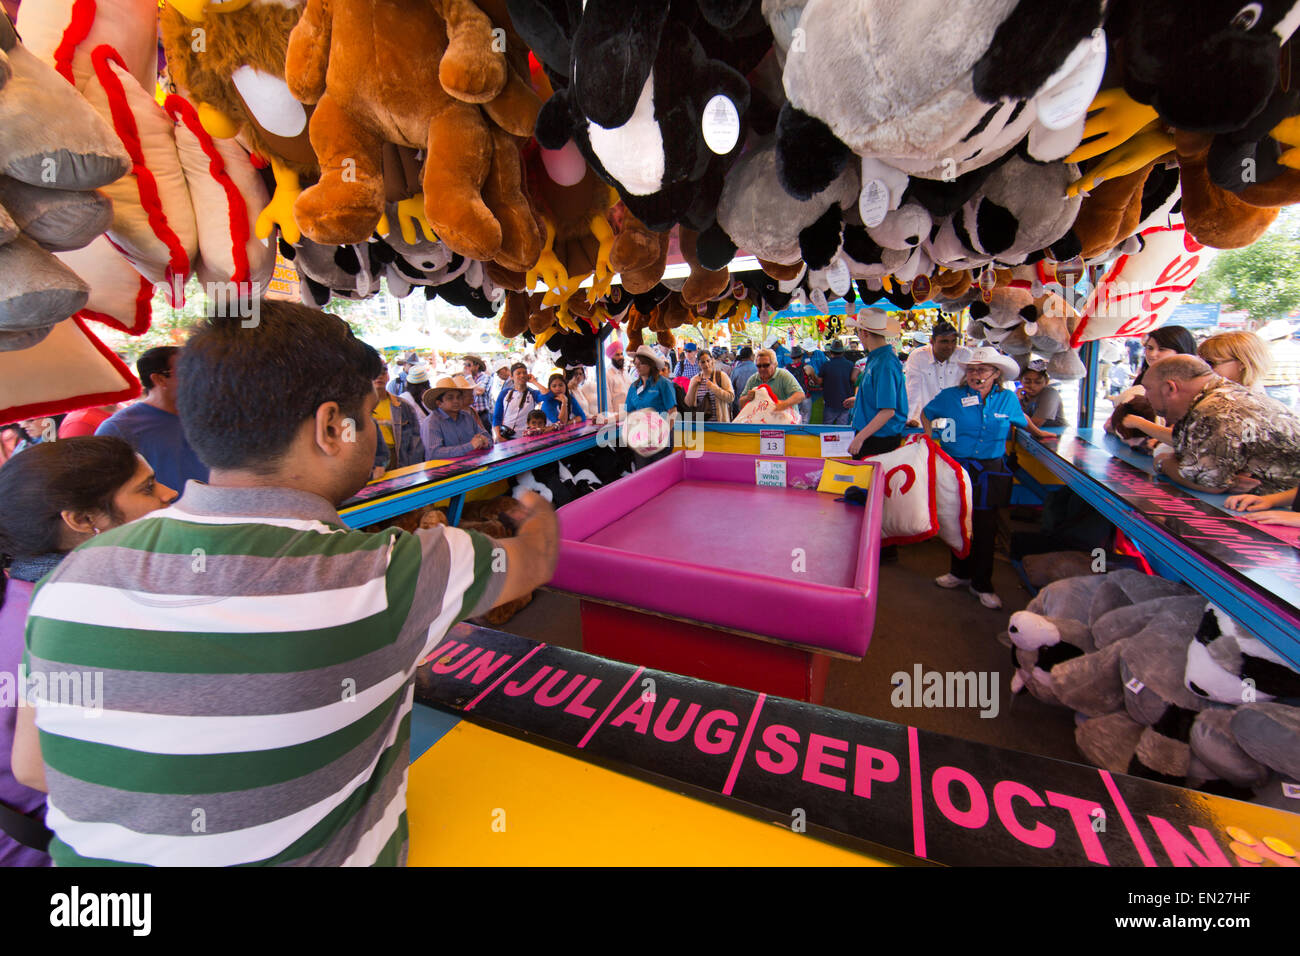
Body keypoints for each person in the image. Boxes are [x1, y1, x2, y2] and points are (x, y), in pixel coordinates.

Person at [15, 299, 558, 867]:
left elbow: (35, 764)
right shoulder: (398, 571)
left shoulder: (72, 578)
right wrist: (534, 509)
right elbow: (535, 559)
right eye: (369, 414)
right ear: (331, 427)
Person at [1, 437, 177, 867]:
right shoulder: (71, 619)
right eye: (147, 487)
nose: (169, 494)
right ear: (82, 520)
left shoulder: (24, 594)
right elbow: (42, 768)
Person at [924, 347, 1059, 609]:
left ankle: (982, 584)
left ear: (996, 373)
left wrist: (1039, 433)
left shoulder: (1007, 399)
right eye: (972, 369)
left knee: (986, 527)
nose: (976, 374)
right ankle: (959, 573)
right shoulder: (951, 396)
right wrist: (931, 440)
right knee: (958, 522)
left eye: (982, 369)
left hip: (990, 470)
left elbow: (1021, 420)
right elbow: (927, 414)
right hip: (958, 468)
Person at [1143, 354, 1300, 495]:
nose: (1145, 396)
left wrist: (1163, 462)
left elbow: (1209, 483)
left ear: (1170, 388)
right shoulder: (1223, 394)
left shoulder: (1215, 410)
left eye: (1148, 389)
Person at [95, 346, 209, 494]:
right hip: (161, 515)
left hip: (214, 512)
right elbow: (104, 489)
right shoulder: (120, 428)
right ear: (159, 379)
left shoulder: (207, 418)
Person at [1108, 326, 1200, 446]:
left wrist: (1140, 424)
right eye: (1149, 348)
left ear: (1181, 351)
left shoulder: (1192, 386)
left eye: (1162, 349)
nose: (1152, 354)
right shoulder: (1143, 379)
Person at [845, 310, 910, 459]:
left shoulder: (884, 363)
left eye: (858, 332)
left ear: (864, 333)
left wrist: (860, 438)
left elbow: (888, 411)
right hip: (874, 434)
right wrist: (860, 401)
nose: (859, 337)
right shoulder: (877, 358)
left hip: (878, 438)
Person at [904, 319, 972, 425]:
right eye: (944, 341)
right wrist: (908, 418)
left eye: (953, 341)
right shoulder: (918, 356)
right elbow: (913, 389)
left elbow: (970, 388)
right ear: (932, 341)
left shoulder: (964, 355)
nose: (949, 346)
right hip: (922, 420)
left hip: (956, 419)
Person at [368, 351, 425, 477]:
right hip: (370, 463)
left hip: (399, 460)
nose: (379, 376)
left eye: (383, 371)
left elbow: (416, 440)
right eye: (374, 372)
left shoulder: (403, 406)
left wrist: (412, 468)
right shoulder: (358, 408)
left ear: (388, 375)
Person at [421, 375, 493, 458]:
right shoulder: (432, 423)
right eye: (450, 398)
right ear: (439, 403)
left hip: (471, 465)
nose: (456, 401)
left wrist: (484, 441)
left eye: (458, 397)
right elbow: (435, 453)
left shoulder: (467, 417)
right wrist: (470, 446)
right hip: (445, 470)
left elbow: (488, 438)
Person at [736, 349, 806, 418]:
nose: (762, 369)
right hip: (764, 423)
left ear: (775, 364)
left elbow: (800, 395)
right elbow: (740, 403)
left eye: (766, 365)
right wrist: (747, 398)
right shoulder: (753, 379)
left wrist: (783, 404)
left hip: (787, 423)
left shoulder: (784, 375)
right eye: (759, 366)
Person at [1196, 331, 1272, 391]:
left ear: (1243, 363)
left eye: (1210, 363)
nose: (1203, 368)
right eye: (1200, 362)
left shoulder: (1245, 402)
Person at [493, 362, 546, 440]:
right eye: (518, 373)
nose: (522, 375)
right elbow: (497, 416)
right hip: (506, 437)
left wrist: (534, 382)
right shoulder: (505, 393)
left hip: (527, 437)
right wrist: (498, 435)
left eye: (525, 373)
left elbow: (548, 395)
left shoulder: (532, 393)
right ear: (511, 376)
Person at [685, 349, 735, 422]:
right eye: (703, 362)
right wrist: (693, 386)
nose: (706, 364)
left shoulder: (721, 376)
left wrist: (713, 388)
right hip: (701, 425)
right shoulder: (694, 380)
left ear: (712, 360)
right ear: (698, 363)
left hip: (719, 424)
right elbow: (688, 404)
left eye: (708, 361)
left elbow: (731, 397)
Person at [1260, 324, 1300, 408]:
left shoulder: (1262, 351)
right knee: (1288, 419)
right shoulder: (1296, 350)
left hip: (1266, 390)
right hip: (1289, 390)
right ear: (1288, 335)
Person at [1017, 360, 1066, 428]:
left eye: (1038, 382)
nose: (1032, 386)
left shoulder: (1050, 393)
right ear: (1021, 381)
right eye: (1027, 382)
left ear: (1046, 382)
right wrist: (1017, 400)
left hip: (1057, 434)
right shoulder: (1019, 395)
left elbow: (1034, 425)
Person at [819, 340, 855, 426]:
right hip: (846, 402)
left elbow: (819, 381)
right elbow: (854, 380)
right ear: (843, 352)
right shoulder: (850, 364)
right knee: (842, 430)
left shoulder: (826, 365)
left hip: (830, 402)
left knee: (826, 430)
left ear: (831, 352)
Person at [462, 355, 493, 430]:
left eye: (468, 365)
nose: (466, 367)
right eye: (465, 365)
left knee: (486, 437)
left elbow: (479, 391)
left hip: (482, 415)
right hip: (469, 414)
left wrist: (469, 377)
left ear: (477, 366)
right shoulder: (465, 378)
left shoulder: (485, 377)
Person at [788, 346, 814, 424]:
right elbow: (814, 380)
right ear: (801, 356)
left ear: (791, 357)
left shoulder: (786, 369)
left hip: (793, 398)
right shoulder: (807, 367)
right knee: (805, 421)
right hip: (805, 396)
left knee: (794, 420)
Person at [729, 347, 757, 416]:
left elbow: (731, 389)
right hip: (756, 406)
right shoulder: (757, 369)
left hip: (739, 408)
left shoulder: (736, 370)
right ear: (751, 356)